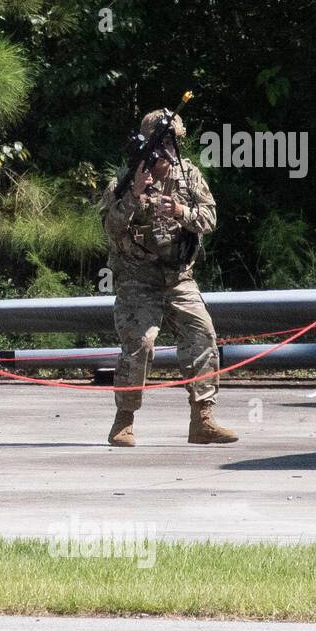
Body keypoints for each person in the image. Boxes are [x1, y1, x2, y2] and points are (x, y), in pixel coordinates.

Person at [99, 109, 238, 448]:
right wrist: (134, 193)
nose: (166, 150)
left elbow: (209, 218)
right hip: (137, 277)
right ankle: (124, 421)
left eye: (170, 142)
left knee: (202, 334)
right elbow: (110, 229)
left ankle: (202, 418)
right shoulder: (124, 180)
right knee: (141, 344)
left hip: (178, 277)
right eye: (159, 143)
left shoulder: (189, 177)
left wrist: (179, 212)